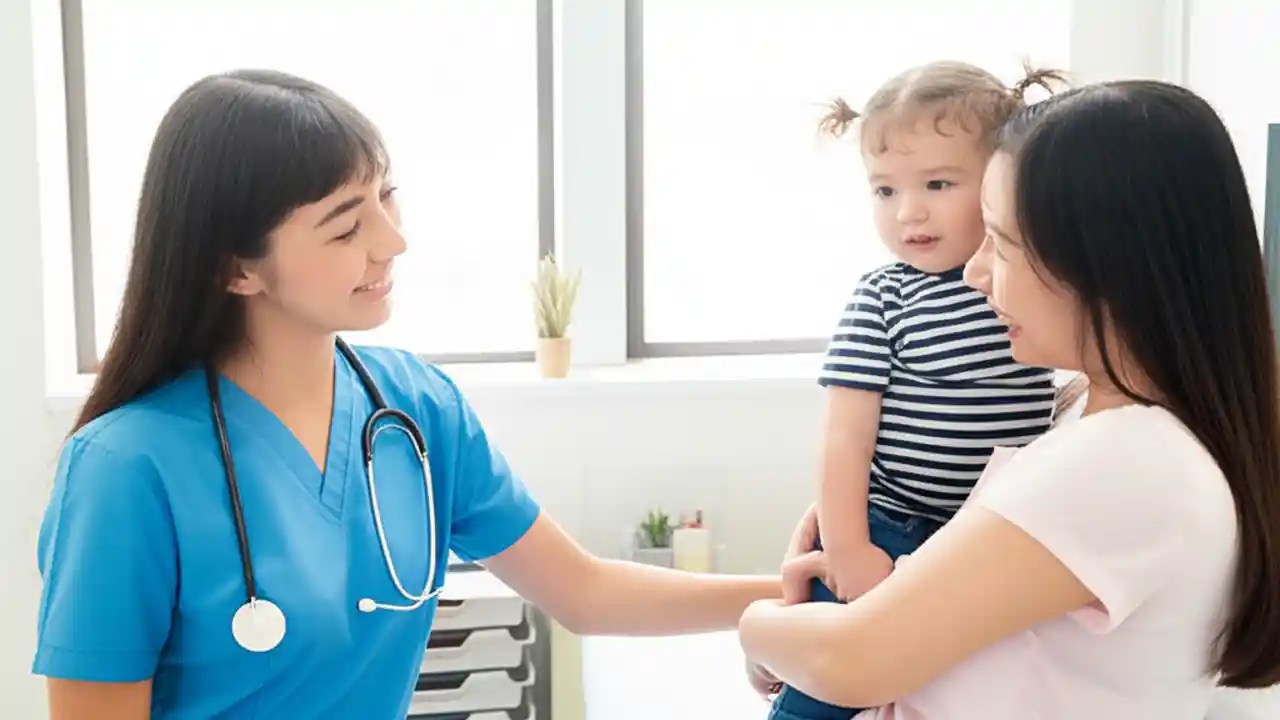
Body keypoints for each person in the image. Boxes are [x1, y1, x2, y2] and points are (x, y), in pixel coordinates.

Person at [30, 69, 781, 719]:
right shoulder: (126, 469)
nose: (392, 241)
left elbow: (584, 592)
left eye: (387, 198)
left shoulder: (416, 408)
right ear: (237, 269)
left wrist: (792, 597)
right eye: (345, 226)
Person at [740, 79, 1280, 718]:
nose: (973, 272)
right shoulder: (1095, 420)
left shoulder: (1126, 459)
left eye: (1002, 241)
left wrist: (761, 626)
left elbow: (848, 660)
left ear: (1100, 260)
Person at [770, 60, 1064, 720]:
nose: (909, 212)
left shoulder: (1030, 282)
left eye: (938, 183)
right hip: (892, 524)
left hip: (986, 534)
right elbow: (846, 435)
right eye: (884, 192)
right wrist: (849, 549)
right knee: (827, 691)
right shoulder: (885, 297)